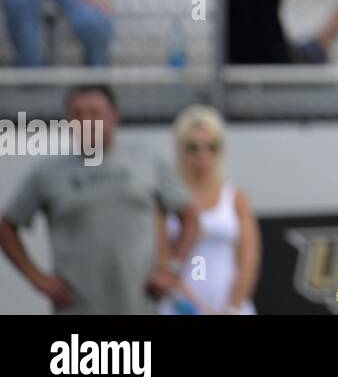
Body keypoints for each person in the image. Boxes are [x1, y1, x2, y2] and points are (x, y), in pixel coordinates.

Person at [0, 86, 198, 315]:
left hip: (139, 305)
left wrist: (172, 269)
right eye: (77, 114)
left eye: (95, 113)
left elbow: (190, 217)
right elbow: (6, 227)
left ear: (114, 116)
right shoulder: (47, 173)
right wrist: (37, 279)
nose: (86, 121)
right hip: (77, 310)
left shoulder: (147, 160)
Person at [162, 106, 260, 315]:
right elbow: (163, 260)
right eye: (193, 147)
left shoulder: (236, 198)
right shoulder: (166, 200)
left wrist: (233, 307)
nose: (202, 154)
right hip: (178, 308)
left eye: (210, 146)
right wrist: (195, 309)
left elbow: (248, 258)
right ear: (180, 149)